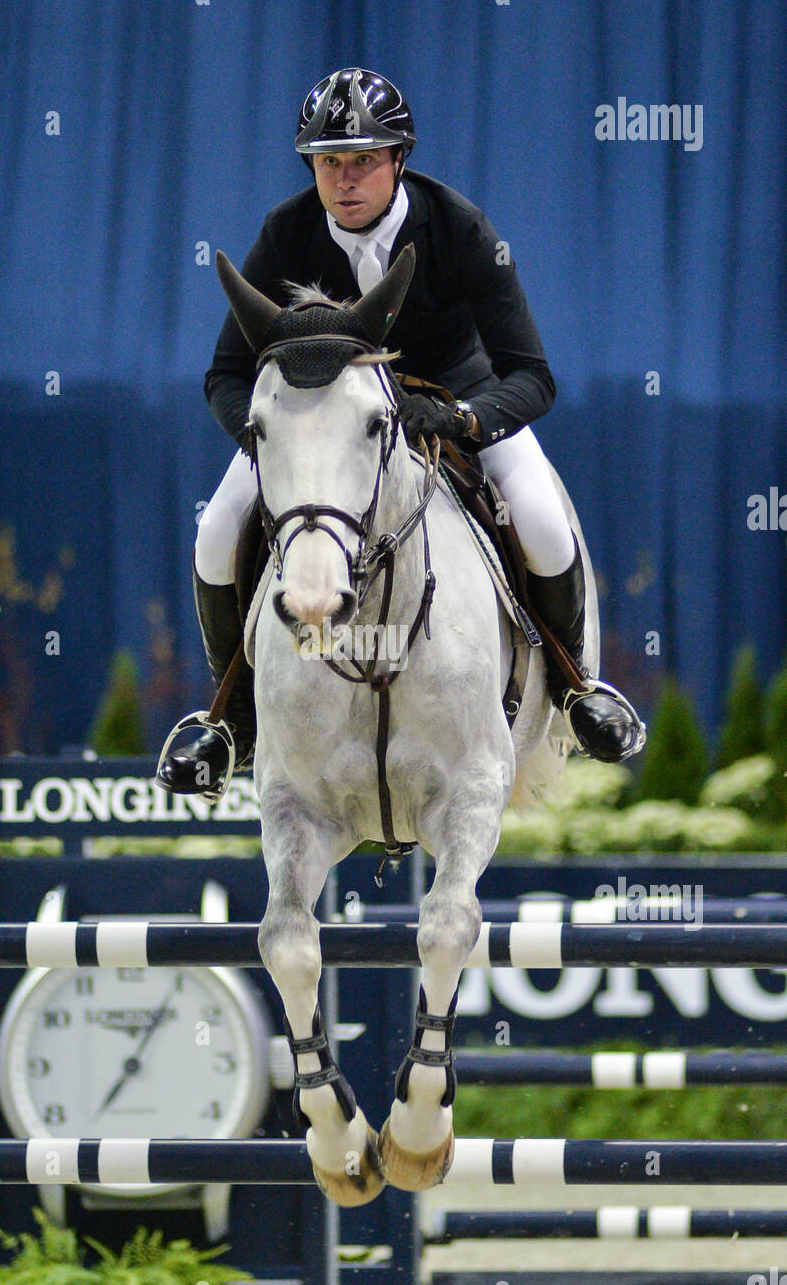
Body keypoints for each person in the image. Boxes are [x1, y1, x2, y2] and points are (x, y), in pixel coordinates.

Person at [157, 67, 645, 796]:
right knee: (214, 530)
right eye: (329, 163)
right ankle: (229, 719)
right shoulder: (285, 233)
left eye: (362, 160)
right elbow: (225, 376)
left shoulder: (458, 227)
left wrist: (464, 419)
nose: (345, 179)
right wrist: (271, 441)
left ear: (398, 161)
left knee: (541, 519)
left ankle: (576, 689)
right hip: (321, 428)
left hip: (453, 399)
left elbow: (532, 375)